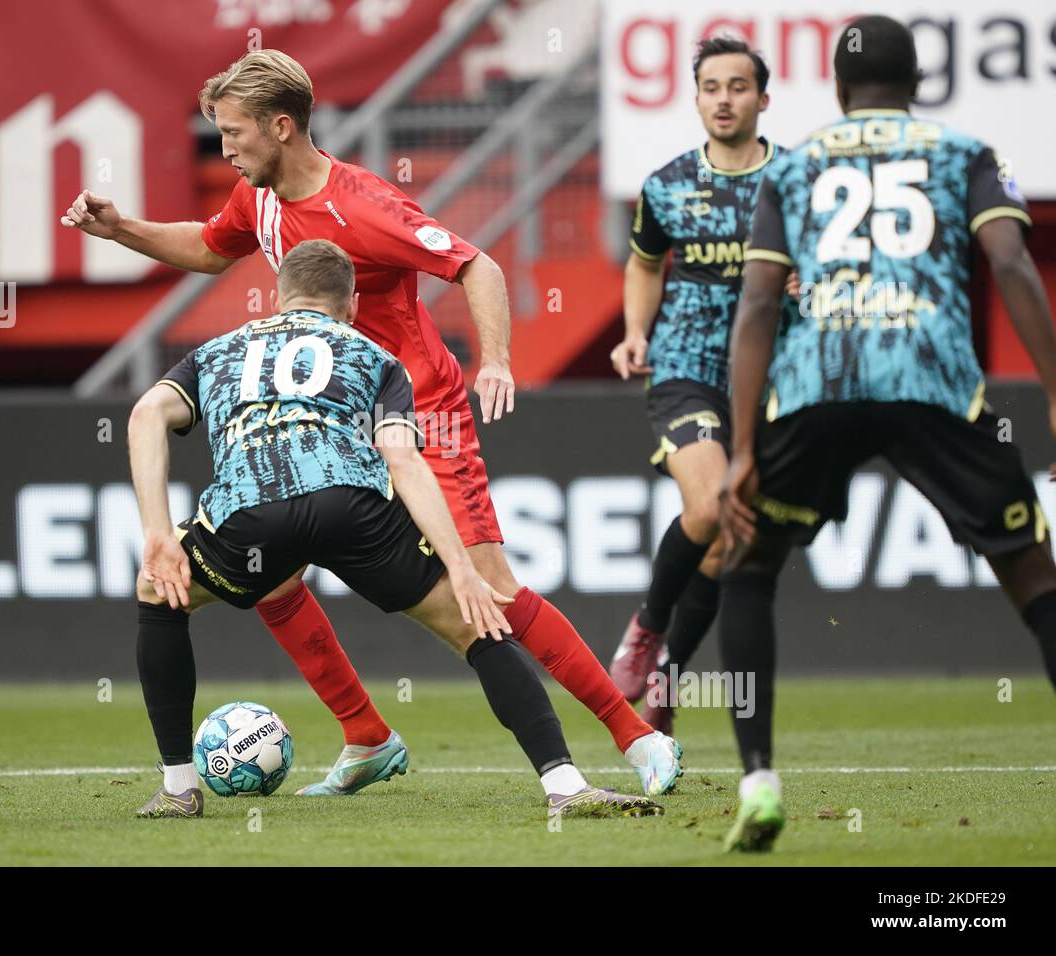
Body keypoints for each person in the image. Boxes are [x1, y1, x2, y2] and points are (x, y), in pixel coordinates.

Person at [64, 49, 662, 795]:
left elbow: (476, 265)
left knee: (486, 587)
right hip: (333, 421)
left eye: (233, 133)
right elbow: (211, 251)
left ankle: (632, 735)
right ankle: (367, 735)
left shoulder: (366, 207)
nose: (225, 149)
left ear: (281, 127)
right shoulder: (260, 197)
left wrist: (497, 360)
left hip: (417, 410)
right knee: (273, 574)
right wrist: (123, 229)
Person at [126, 239, 681, 818]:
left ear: (278, 295)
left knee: (157, 597)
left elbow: (145, 416)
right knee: (478, 626)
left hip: (252, 511)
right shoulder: (373, 355)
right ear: (351, 305)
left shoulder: (217, 351)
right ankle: (566, 786)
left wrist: (158, 535)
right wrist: (462, 570)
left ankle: (177, 787)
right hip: (355, 508)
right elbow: (404, 459)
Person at [719, 14, 1056, 852]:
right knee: (1030, 570)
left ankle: (758, 779)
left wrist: (744, 449)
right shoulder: (966, 153)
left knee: (748, 566)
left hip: (816, 383)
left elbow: (759, 305)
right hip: (930, 379)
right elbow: (1012, 264)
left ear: (836, 89)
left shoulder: (792, 167)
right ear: (917, 85)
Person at [608, 37, 792, 735]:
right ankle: (645, 629)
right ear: (696, 98)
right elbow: (645, 263)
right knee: (712, 503)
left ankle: (669, 673)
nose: (724, 98)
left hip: (773, 379)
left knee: (728, 541)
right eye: (711, 86)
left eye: (738, 86)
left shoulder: (798, 182)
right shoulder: (667, 184)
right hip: (687, 366)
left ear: (762, 99)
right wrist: (634, 331)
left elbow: (839, 266)